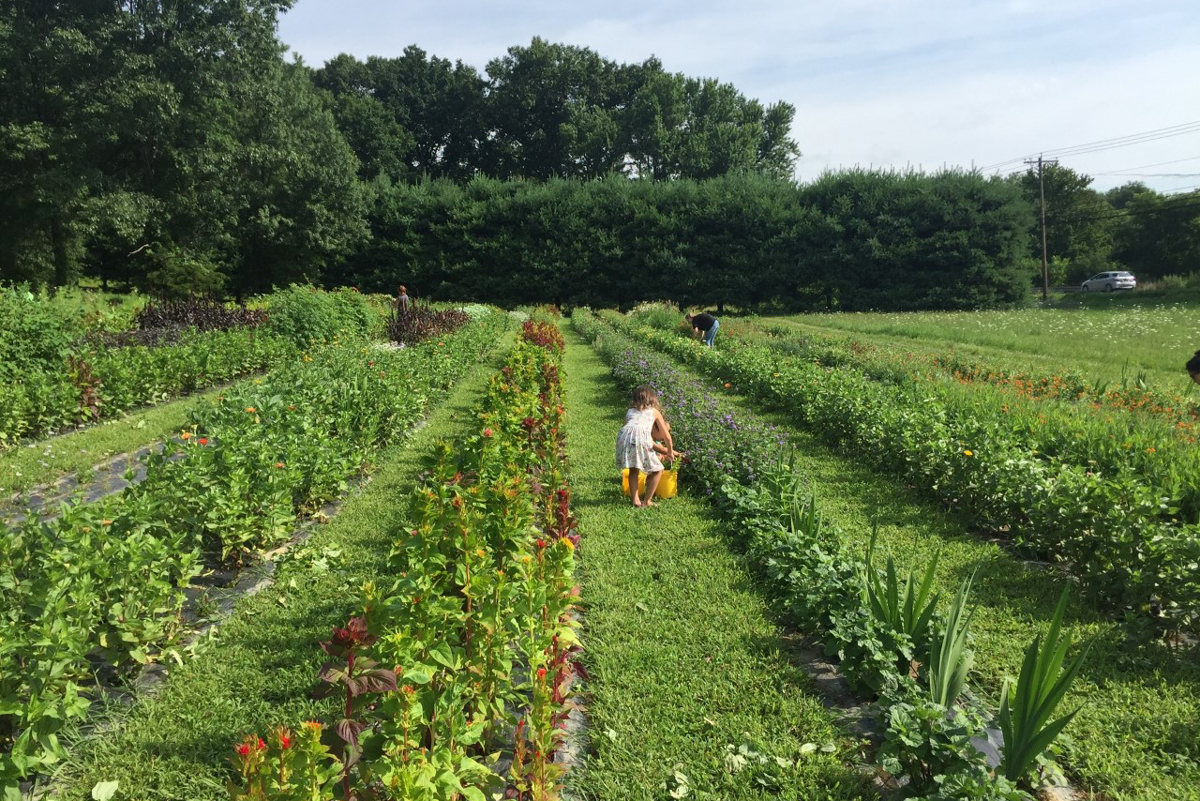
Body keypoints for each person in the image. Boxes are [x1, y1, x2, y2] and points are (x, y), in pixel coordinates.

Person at [616, 385, 676, 507]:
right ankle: (647, 501)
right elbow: (667, 437)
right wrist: (669, 452)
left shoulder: (630, 411)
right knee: (658, 469)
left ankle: (635, 500)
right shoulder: (654, 412)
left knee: (634, 468)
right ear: (652, 399)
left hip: (624, 437)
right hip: (641, 438)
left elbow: (626, 427)